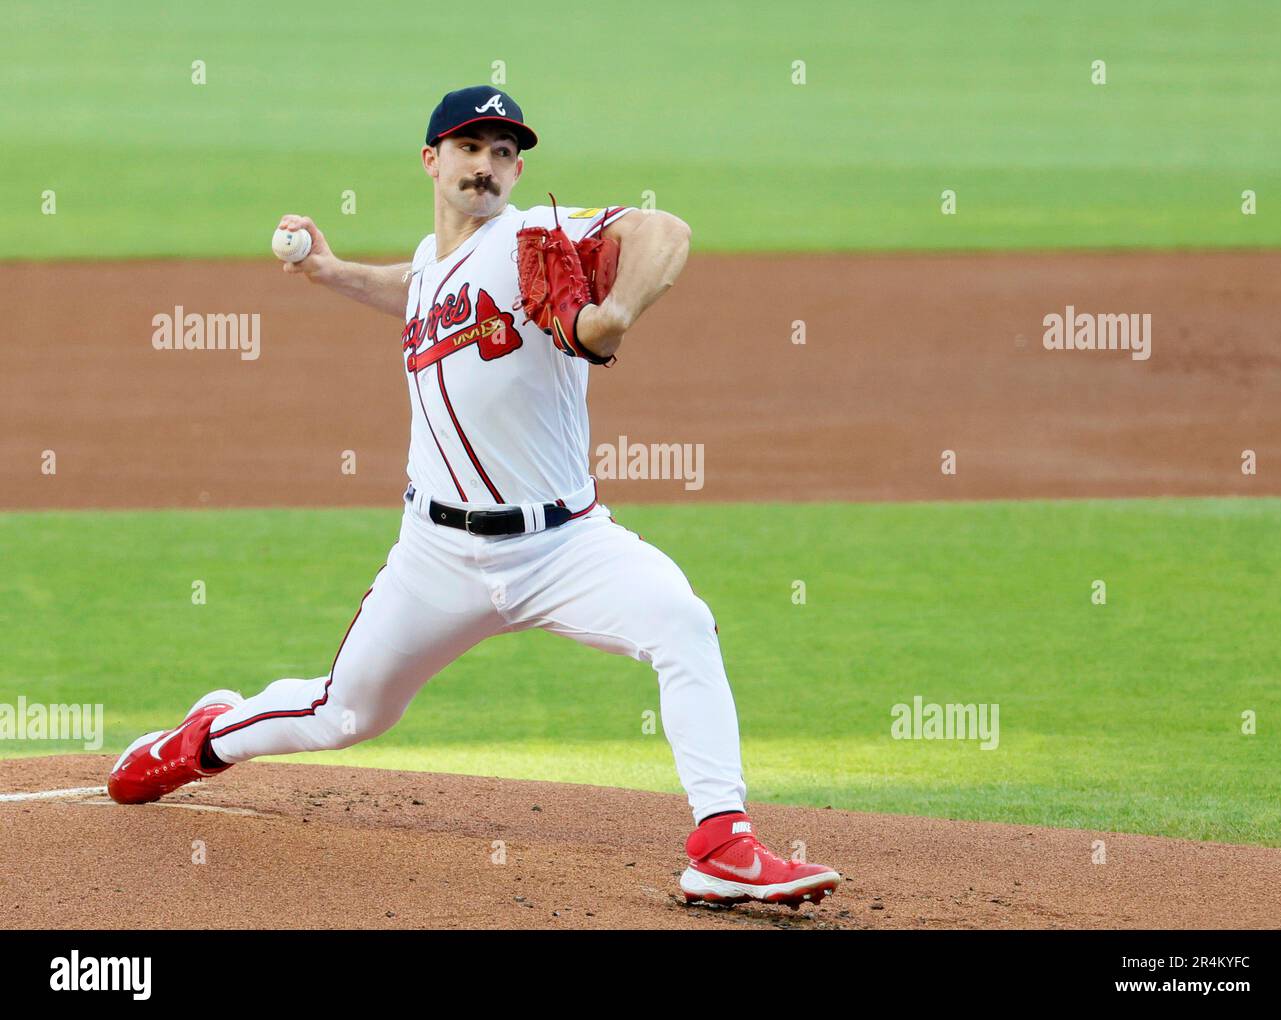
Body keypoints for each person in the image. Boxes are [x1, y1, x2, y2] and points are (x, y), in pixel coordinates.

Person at [108, 85, 840, 908]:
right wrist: (329, 271)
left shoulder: (530, 235)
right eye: (468, 147)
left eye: (502, 152)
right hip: (437, 559)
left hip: (565, 546)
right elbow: (417, 289)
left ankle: (722, 844)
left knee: (682, 621)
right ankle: (204, 738)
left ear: (518, 170)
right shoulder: (435, 262)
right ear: (432, 159)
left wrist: (613, 314)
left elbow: (665, 231)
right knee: (345, 715)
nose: (485, 165)